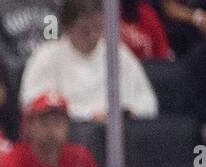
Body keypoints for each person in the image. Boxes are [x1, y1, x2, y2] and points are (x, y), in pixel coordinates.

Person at [20, 0, 159, 121]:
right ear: (68, 27)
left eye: (97, 28)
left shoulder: (118, 54)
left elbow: (147, 100)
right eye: (85, 30)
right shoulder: (47, 56)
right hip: (72, 135)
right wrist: (87, 117)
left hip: (120, 132)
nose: (92, 35)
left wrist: (134, 114)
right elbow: (32, 103)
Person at [0, 92, 104, 167]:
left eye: (58, 121)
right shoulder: (10, 160)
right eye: (44, 122)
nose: (51, 128)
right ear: (28, 126)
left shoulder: (80, 157)